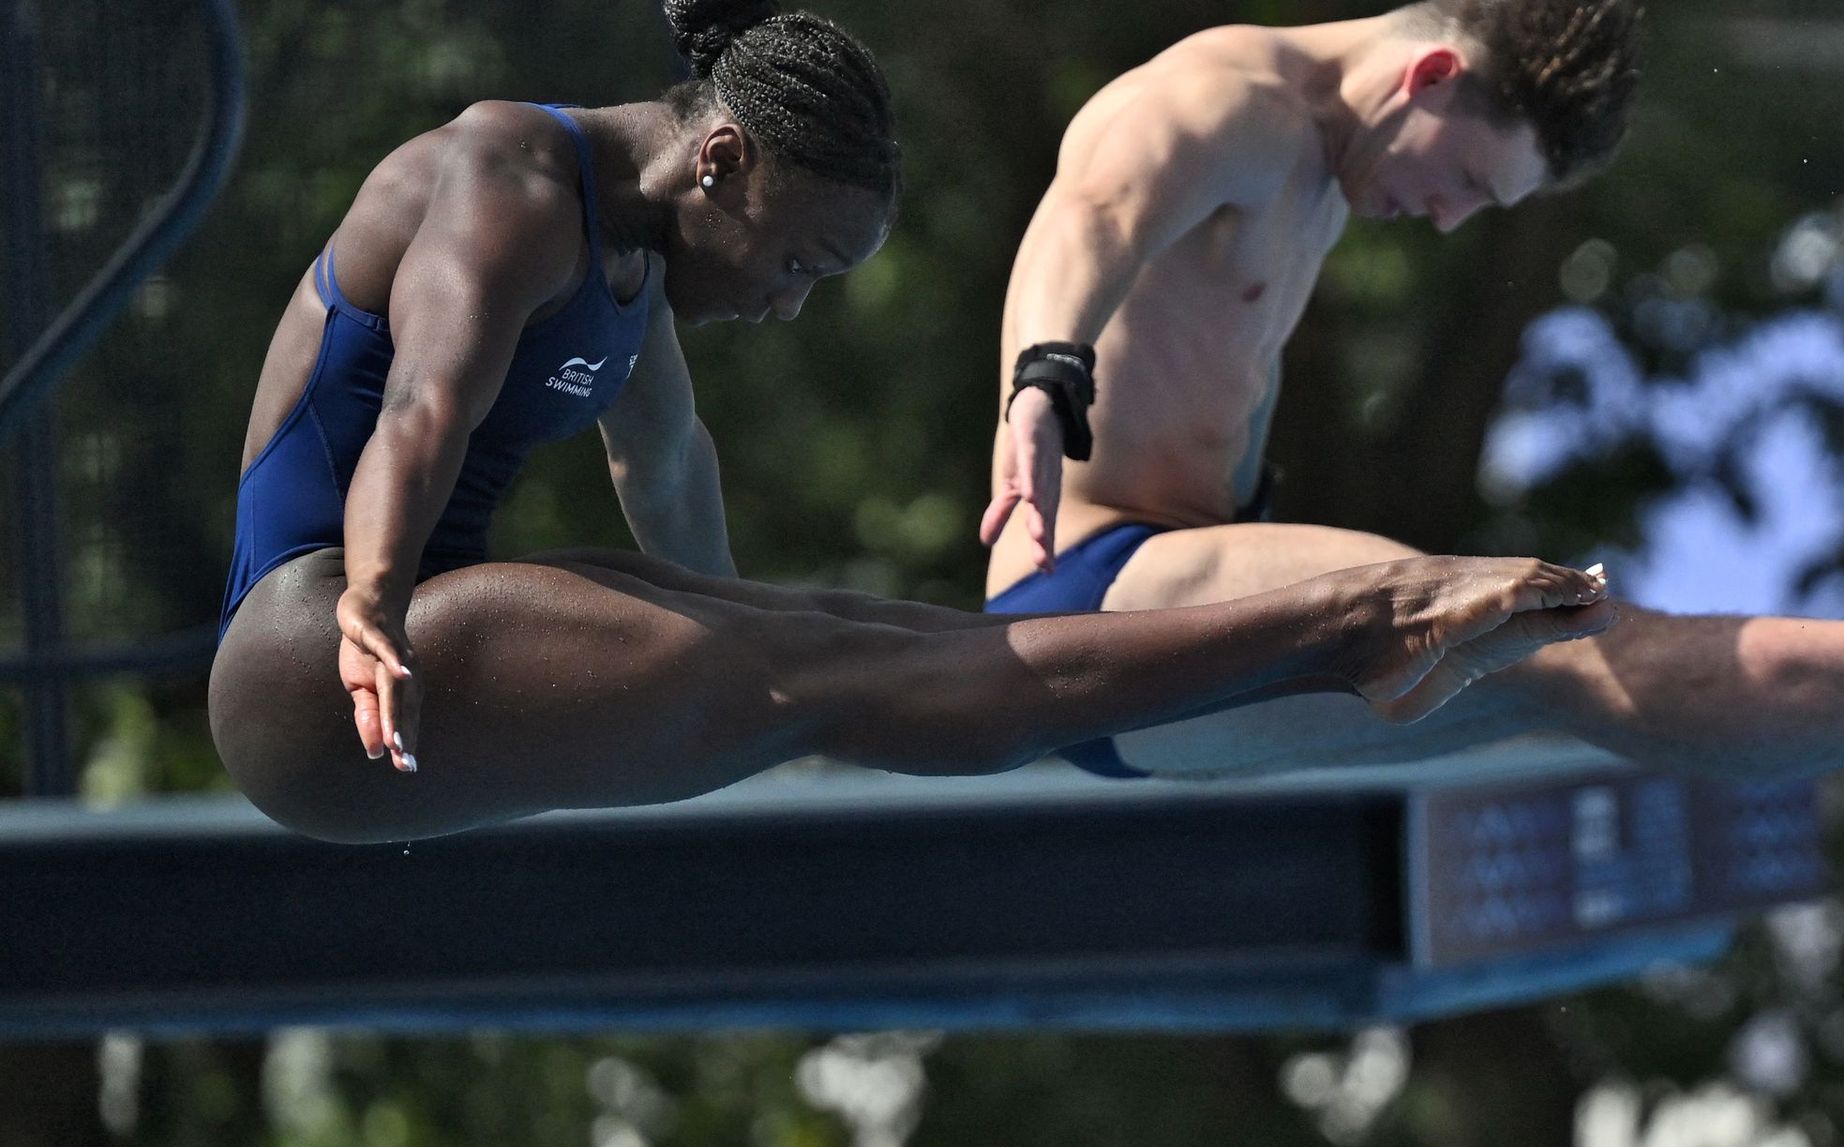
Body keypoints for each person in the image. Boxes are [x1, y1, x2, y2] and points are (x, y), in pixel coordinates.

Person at [207, 0, 1618, 844]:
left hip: (416, 630)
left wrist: (737, 624)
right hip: (315, 656)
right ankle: (1351, 623)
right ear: (722, 160)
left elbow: (667, 459)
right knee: (831, 679)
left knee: (866, 634)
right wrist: (377, 604)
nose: (784, 304)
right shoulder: (509, 177)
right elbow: (425, 401)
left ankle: (1325, 639)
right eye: (798, 264)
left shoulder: (631, 255)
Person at [979, 0, 1844, 780]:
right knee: (1576, 646)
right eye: (1471, 182)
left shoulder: (1328, 160)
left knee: (1602, 686)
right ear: (1429, 79)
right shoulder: (1226, 103)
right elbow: (1089, 209)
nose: (1449, 220)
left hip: (1170, 612)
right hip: (1093, 592)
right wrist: (1044, 376)